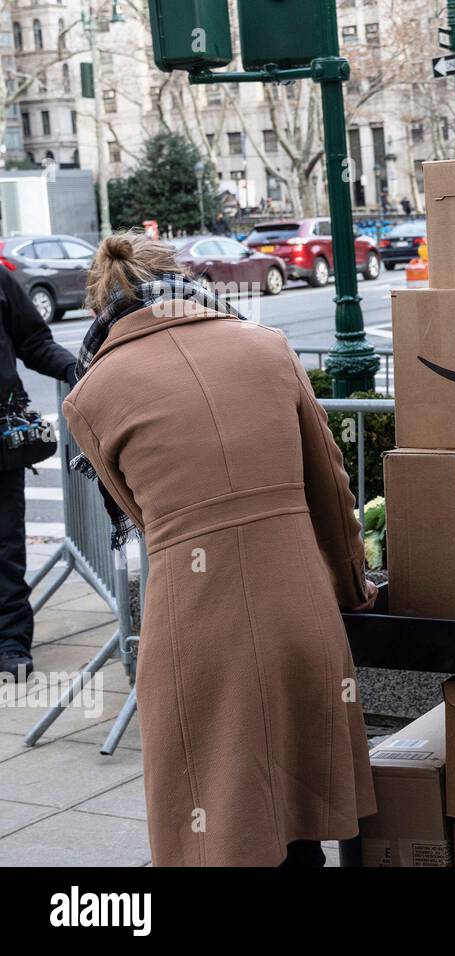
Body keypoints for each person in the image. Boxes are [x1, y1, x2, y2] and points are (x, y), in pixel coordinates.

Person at [63, 231, 378, 866]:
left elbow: (144, 520)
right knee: (303, 813)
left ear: (101, 305)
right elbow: (331, 487)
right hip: (298, 612)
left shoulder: (89, 397)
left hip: (195, 631)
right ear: (185, 278)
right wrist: (350, 588)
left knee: (219, 823)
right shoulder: (267, 346)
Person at [0, 267, 78, 679]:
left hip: (2, 440)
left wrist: (74, 368)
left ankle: (10, 643)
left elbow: (33, 341)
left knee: (5, 545)